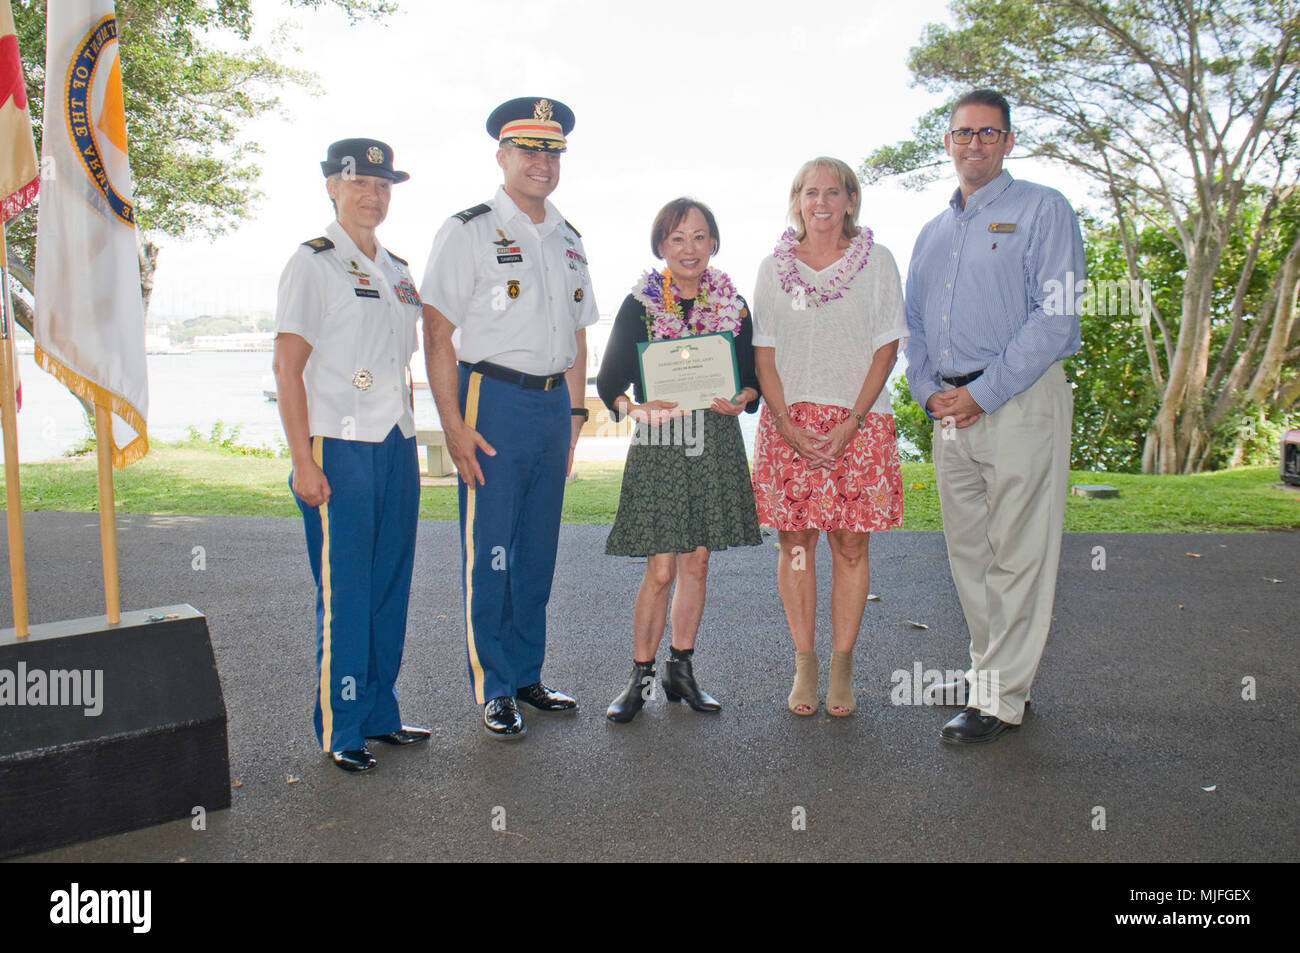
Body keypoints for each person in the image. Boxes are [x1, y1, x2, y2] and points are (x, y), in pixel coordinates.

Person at [904, 89, 1083, 744]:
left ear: (1010, 140)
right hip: (950, 410)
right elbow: (914, 328)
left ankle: (1000, 695)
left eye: (988, 132)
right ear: (947, 142)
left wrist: (984, 392)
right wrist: (929, 392)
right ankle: (998, 677)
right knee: (970, 555)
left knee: (1019, 552)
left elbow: (1056, 318)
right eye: (962, 133)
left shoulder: (1043, 210)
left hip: (1018, 400)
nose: (973, 143)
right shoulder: (933, 233)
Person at [420, 97, 597, 739]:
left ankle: (527, 673)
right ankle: (493, 686)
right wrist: (452, 424)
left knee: (537, 551)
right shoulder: (468, 229)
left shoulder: (570, 239)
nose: (541, 163)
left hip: (552, 406)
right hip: (490, 399)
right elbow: (437, 332)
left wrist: (576, 417)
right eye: (529, 150)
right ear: (502, 155)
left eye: (552, 151)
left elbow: (579, 338)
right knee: (489, 549)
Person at [273, 138, 429, 773]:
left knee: (391, 583)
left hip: (394, 442)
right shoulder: (313, 263)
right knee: (346, 591)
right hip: (338, 444)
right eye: (359, 183)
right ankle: (342, 727)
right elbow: (287, 367)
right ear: (331, 188)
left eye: (383, 184)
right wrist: (303, 460)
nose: (373, 194)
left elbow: (402, 362)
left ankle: (380, 714)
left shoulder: (397, 268)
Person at [751, 157, 907, 717]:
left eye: (832, 193)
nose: (820, 203)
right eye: (809, 192)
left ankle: (842, 668)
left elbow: (887, 346)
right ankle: (805, 664)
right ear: (796, 201)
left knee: (850, 544)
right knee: (796, 545)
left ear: (850, 201)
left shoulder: (878, 262)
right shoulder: (774, 268)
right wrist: (787, 421)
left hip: (857, 424)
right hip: (788, 424)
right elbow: (762, 351)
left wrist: (853, 420)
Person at [597, 198, 762, 723]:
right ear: (660, 246)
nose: (689, 248)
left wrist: (744, 398)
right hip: (664, 441)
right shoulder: (639, 306)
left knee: (698, 559)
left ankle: (681, 669)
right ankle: (640, 676)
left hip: (713, 438)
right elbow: (609, 384)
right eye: (677, 238)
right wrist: (634, 409)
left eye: (698, 236)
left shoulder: (732, 304)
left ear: (713, 242)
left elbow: (750, 377)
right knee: (662, 567)